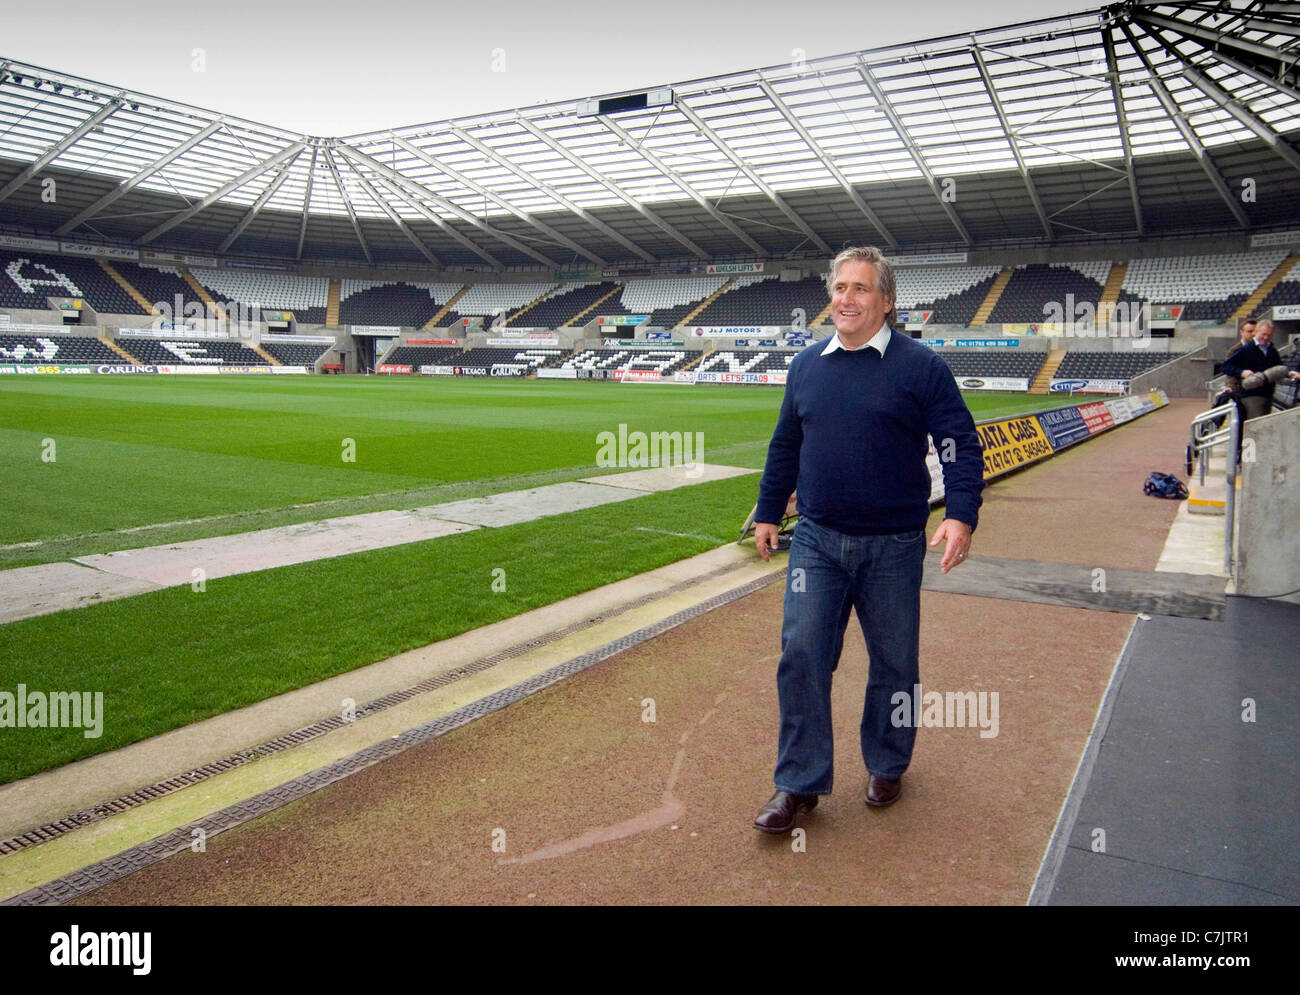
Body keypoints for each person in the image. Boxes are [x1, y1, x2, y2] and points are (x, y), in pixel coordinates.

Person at [750, 246, 984, 834]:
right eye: (839, 288)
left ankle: (887, 762)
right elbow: (786, 445)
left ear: (886, 301)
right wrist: (769, 509)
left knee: (894, 664)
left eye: (859, 289)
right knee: (802, 656)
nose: (845, 299)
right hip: (817, 544)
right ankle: (797, 784)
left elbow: (958, 442)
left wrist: (960, 514)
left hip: (895, 544)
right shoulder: (806, 366)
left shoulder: (921, 367)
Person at [1221, 319, 1300, 419]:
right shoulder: (1245, 349)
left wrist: (1290, 373)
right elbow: (1225, 367)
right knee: (1255, 426)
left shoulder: (1272, 350)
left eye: (1269, 335)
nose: (1266, 337)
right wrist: (1242, 372)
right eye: (1263, 334)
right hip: (1251, 396)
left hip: (1268, 395)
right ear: (1256, 332)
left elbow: (1278, 367)